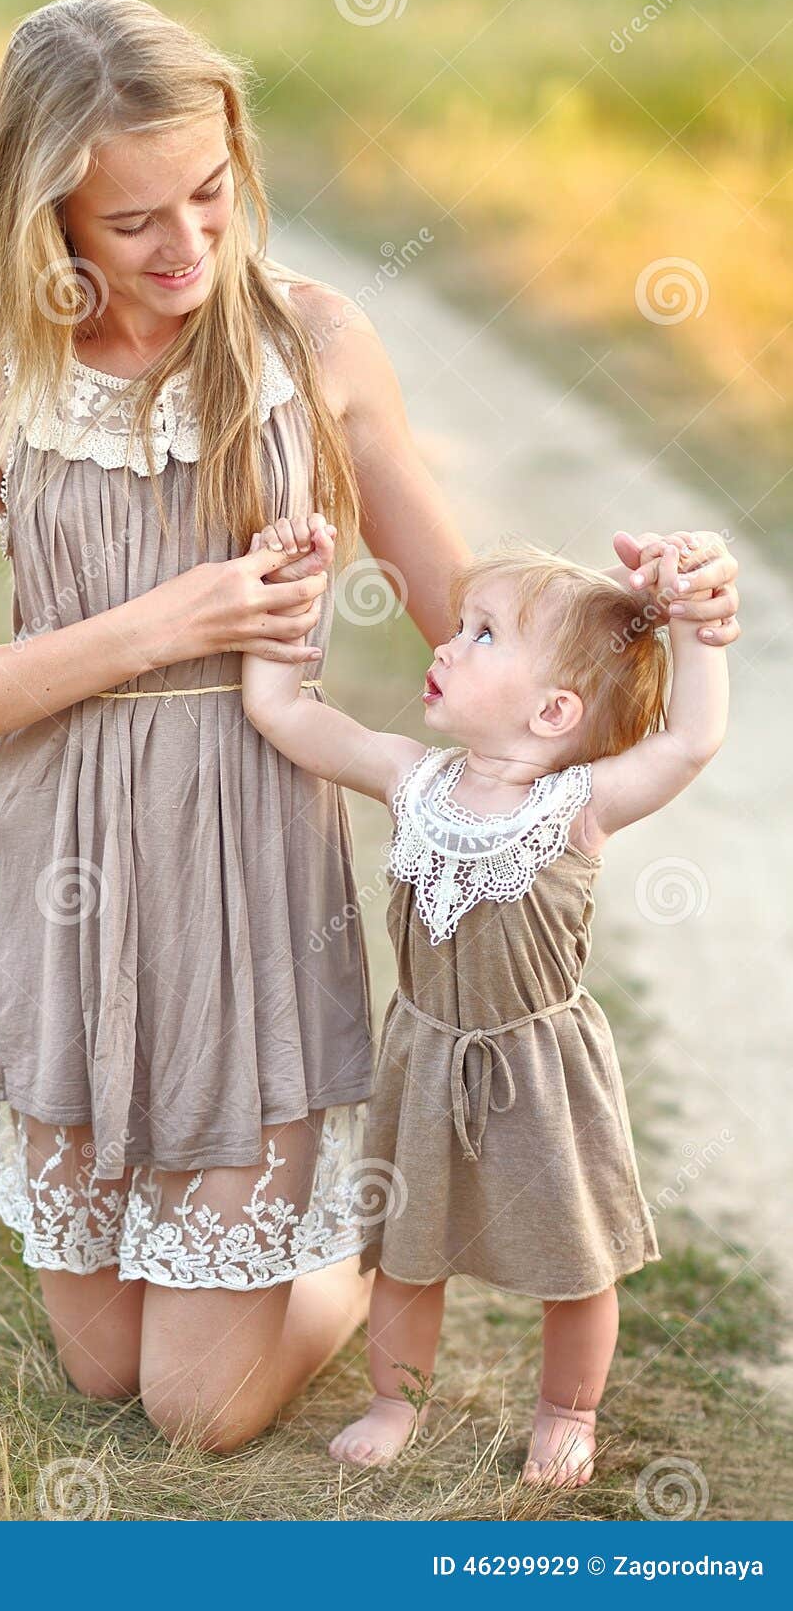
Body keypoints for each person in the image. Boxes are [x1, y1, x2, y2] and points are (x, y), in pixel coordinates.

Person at [0, 0, 742, 1455]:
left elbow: (460, 607)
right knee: (96, 1376)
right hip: (64, 886)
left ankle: (337, 1257)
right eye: (132, 217)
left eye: (209, 193)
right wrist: (163, 622)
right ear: (46, 217)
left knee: (190, 1410)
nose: (188, 246)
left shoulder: (315, 345)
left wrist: (656, 607)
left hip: (244, 887)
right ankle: (276, 1246)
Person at [241, 520, 728, 1483]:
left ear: (553, 712)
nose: (445, 645)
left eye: (481, 636)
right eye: (459, 626)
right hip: (425, 1058)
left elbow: (692, 739)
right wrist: (294, 593)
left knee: (574, 1259)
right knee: (408, 1249)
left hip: (541, 1067)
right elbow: (286, 716)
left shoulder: (576, 805)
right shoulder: (409, 780)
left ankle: (566, 1411)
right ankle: (395, 1398)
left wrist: (686, 621)